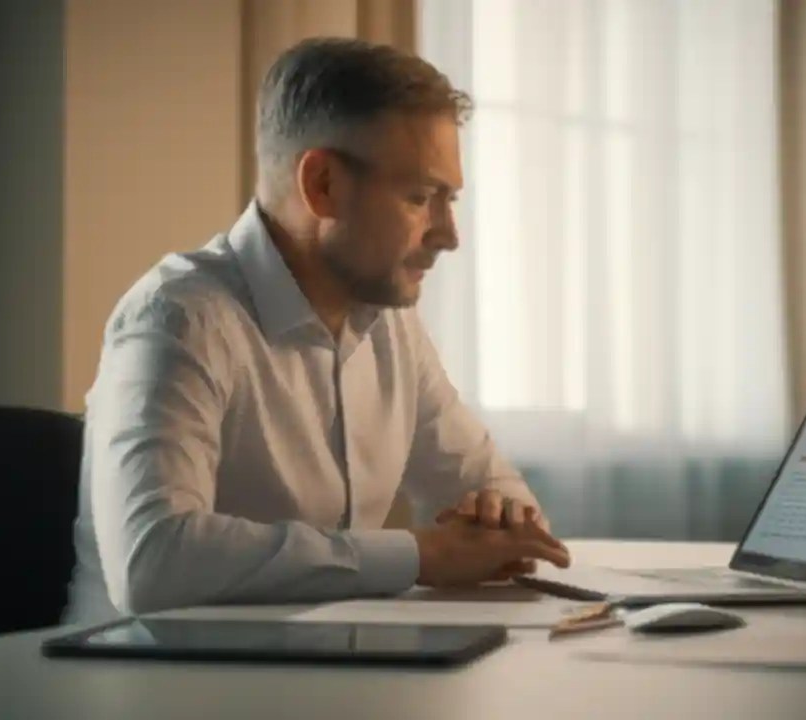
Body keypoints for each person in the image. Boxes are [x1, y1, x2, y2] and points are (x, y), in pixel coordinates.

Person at [64, 38, 571, 624]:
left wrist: (500, 524)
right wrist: (420, 555)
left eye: (449, 199)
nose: (448, 235)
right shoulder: (177, 319)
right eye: (420, 197)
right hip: (145, 673)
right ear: (323, 184)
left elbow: (508, 504)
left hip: (323, 665)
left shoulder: (391, 326)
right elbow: (152, 563)